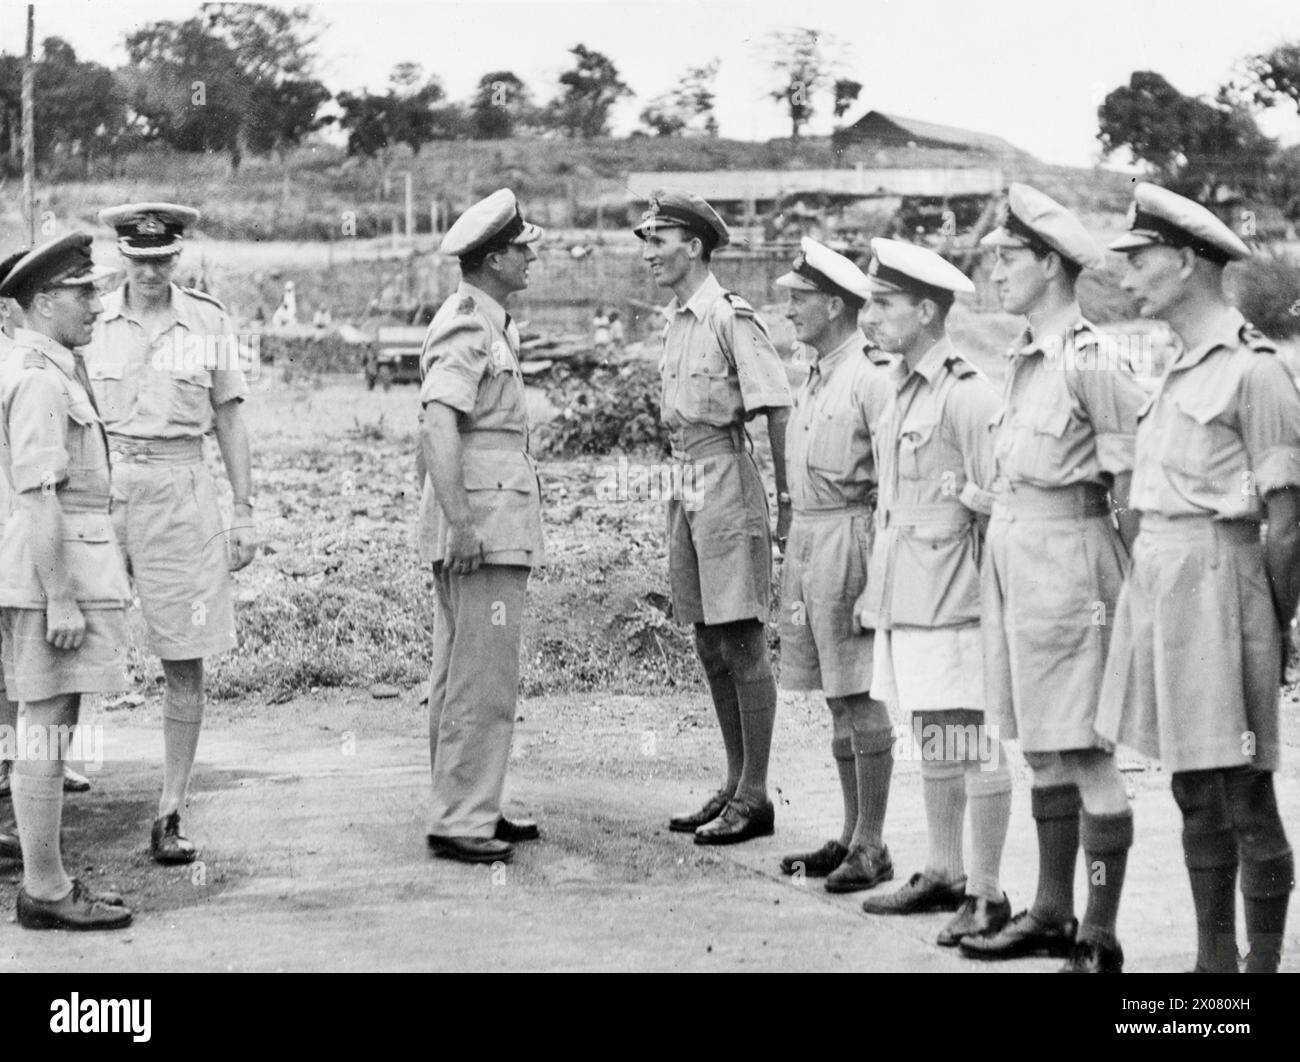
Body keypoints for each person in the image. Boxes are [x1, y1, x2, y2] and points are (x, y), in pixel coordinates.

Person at [1096, 183, 1300, 973]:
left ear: (1186, 261)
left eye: (1141, 261)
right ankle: (1212, 969)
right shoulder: (1181, 369)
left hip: (1223, 586)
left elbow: (1288, 523)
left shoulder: (1256, 372)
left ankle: (1259, 969)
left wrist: (1263, 624)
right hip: (1165, 588)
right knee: (1190, 785)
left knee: (1242, 788)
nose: (1128, 277)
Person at [956, 184, 1146, 972]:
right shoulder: (1025, 358)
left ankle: (1098, 936)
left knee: (1088, 754)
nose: (994, 271)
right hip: (1018, 563)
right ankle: (1052, 911)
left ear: (1050, 265)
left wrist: (1137, 597)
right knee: (1040, 747)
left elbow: (1132, 486)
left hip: (1071, 569)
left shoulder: (1092, 359)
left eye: (1008, 257)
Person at [85, 202, 257, 865]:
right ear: (121, 257)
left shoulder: (207, 323)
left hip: (182, 492)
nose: (151, 271)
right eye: (138, 259)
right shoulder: (92, 319)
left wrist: (245, 511)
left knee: (184, 655)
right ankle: (34, 793)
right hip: (102, 493)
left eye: (161, 260)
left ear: (175, 257)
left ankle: (170, 809)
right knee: (65, 643)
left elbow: (230, 420)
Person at [855, 238, 1013, 947]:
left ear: (926, 310)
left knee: (974, 738)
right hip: (909, 591)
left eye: (883, 304)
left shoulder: (967, 392)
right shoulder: (901, 386)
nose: (869, 316)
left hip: (958, 595)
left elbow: (999, 501)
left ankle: (988, 893)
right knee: (931, 733)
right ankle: (944, 870)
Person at [635, 189, 792, 845]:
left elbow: (777, 406)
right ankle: (733, 782)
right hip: (687, 482)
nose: (650, 254)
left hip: (726, 478)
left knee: (742, 637)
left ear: (694, 245)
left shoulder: (730, 318)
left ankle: (756, 794)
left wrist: (788, 504)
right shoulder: (678, 321)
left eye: (659, 240)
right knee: (706, 636)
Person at [0, 233, 132, 929]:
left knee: (53, 727)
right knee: (44, 730)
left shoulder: (53, 368)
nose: (96, 302)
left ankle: (49, 878)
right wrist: (58, 596)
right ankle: (45, 890)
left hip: (64, 572)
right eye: (83, 292)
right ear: (44, 301)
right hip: (49, 580)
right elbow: (39, 495)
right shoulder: (38, 379)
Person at [420, 188, 545, 865]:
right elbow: (438, 424)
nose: (532, 257)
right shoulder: (470, 324)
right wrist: (462, 522)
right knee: (480, 675)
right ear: (493, 258)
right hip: (484, 519)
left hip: (490, 512)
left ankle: (469, 801)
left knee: (465, 668)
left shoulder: (490, 321)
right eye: (522, 249)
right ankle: (462, 817)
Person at [773, 238, 897, 891]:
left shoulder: (872, 377)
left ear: (834, 303)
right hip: (813, 542)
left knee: (860, 694)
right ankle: (852, 833)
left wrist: (877, 578)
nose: (789, 309)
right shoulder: (819, 372)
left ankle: (873, 844)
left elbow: (893, 485)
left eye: (799, 298)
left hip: (852, 540)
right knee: (836, 698)